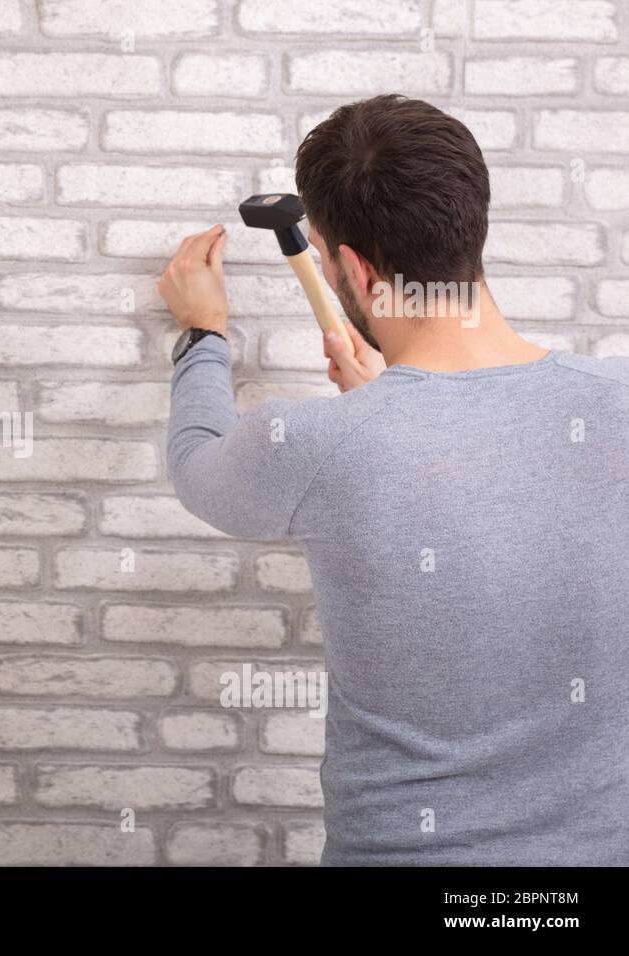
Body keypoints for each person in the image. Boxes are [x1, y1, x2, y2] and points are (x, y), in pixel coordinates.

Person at [160, 94, 629, 865]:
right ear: (473, 222)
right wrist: (391, 412)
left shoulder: (315, 444)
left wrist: (202, 335)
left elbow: (196, 466)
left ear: (349, 266)